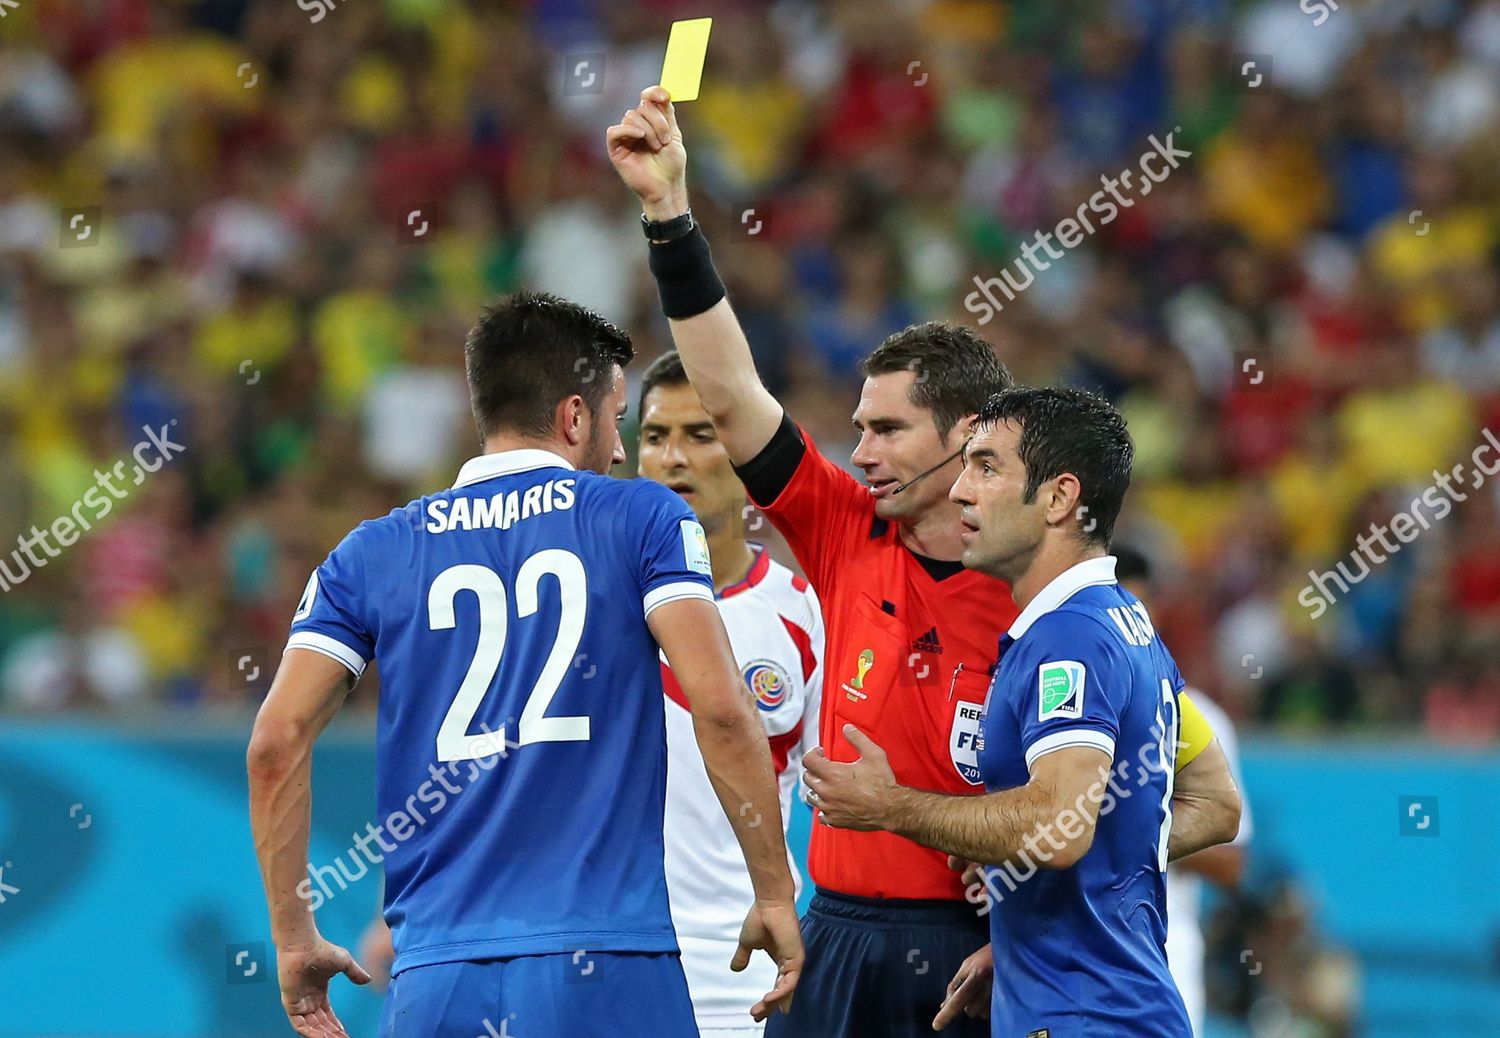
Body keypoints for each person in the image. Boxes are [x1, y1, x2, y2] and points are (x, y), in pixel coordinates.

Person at [247, 292, 803, 1038]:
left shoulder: (370, 553)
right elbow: (723, 706)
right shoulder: (640, 518)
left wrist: (291, 936)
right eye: (615, 420)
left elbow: (274, 742)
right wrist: (771, 891)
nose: (616, 450)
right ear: (575, 417)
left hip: (434, 977)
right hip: (608, 964)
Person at [609, 88, 1017, 1037]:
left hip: (971, 948)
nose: (860, 451)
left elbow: (1134, 792)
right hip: (831, 937)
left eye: (886, 430)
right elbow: (728, 385)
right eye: (858, 427)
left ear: (965, 435)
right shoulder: (845, 529)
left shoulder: (1043, 586)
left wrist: (1024, 868)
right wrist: (668, 215)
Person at [803, 387, 1243, 1036]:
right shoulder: (1125, 622)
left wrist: (891, 806)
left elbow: (1061, 827)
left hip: (1081, 1018)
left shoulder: (1066, 639)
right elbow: (1214, 804)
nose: (960, 491)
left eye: (987, 468)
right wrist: (1030, 923)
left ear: (1060, 498)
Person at [639, 351, 825, 1037]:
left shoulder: (802, 613)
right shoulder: (591, 603)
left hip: (741, 972)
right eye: (655, 437)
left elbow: (837, 797)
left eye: (701, 434)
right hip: (604, 964)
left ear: (745, 457)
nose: (674, 457)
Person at [1112, 546, 1257, 1036]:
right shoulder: (1056, 700)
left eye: (1134, 607)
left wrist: (1119, 827)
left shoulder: (1193, 715)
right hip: (1063, 945)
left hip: (1163, 950)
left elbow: (1230, 861)